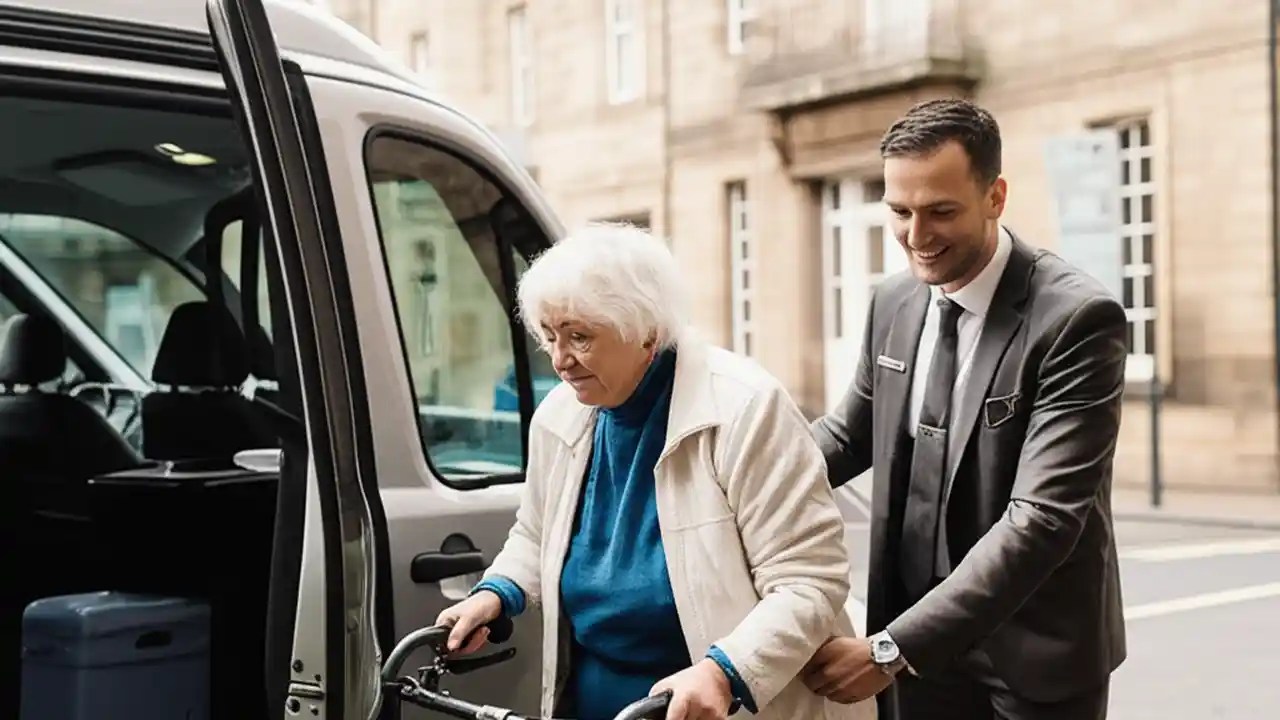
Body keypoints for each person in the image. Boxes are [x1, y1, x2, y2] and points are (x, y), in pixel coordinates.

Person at [436, 223, 874, 720]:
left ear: (646, 330)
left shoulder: (746, 408)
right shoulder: (558, 415)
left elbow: (808, 581)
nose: (559, 359)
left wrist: (723, 672)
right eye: (549, 336)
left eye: (580, 337)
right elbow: (537, 534)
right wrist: (496, 593)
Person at [803, 98, 1127, 720]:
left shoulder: (1077, 319)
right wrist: (736, 480)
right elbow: (848, 436)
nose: (916, 237)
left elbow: (1042, 519)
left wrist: (889, 650)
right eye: (900, 211)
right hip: (913, 637)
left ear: (995, 196)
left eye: (941, 212)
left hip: (1032, 654)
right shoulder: (892, 302)